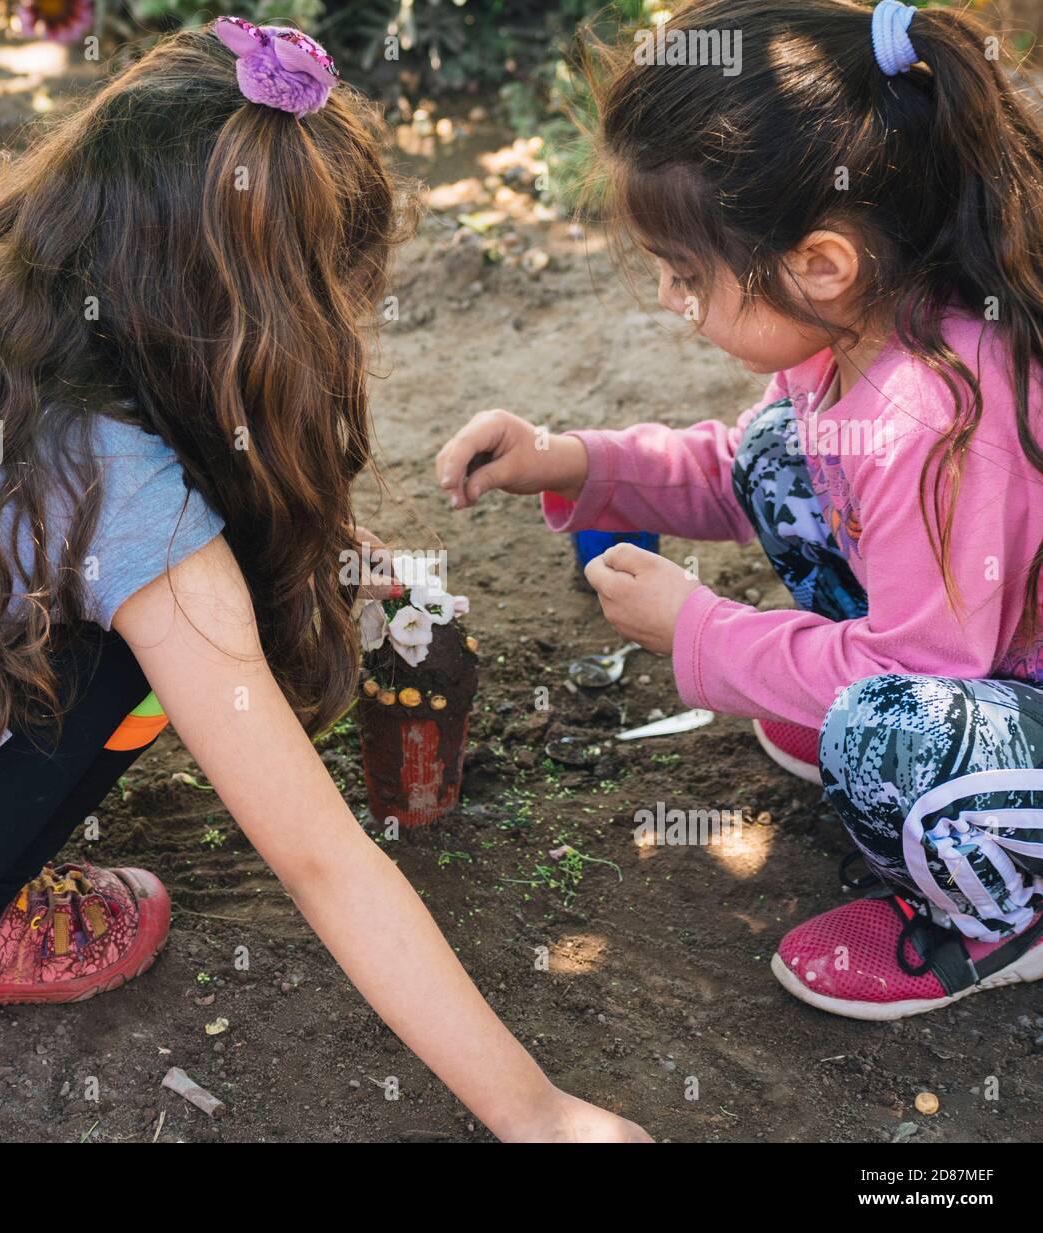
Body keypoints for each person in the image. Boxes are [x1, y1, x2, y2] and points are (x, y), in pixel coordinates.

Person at [0, 18, 648, 1142]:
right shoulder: (133, 506)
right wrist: (541, 1114)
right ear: (278, 325)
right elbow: (322, 859)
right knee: (141, 649)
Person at [438, 0, 1043, 1020]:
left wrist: (704, 635)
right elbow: (734, 470)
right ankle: (872, 739)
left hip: (962, 683)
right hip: (981, 666)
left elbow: (918, 677)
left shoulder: (935, 418)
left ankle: (999, 914)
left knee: (892, 730)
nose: (673, 302)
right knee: (774, 455)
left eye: (685, 275)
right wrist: (570, 460)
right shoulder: (859, 332)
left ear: (819, 263)